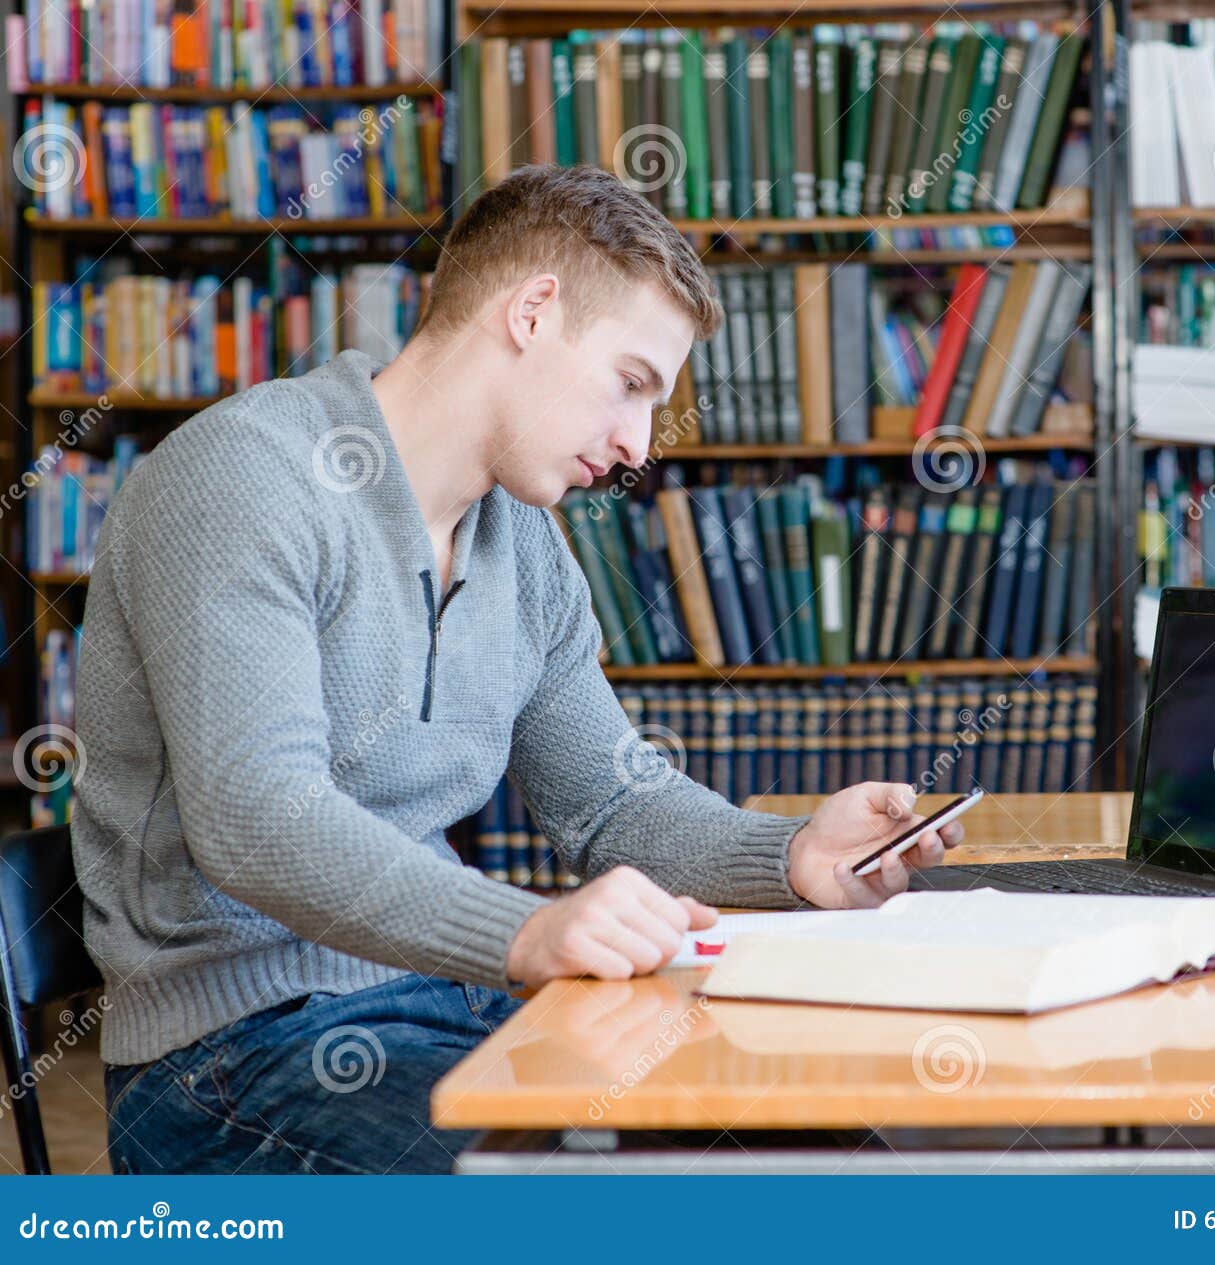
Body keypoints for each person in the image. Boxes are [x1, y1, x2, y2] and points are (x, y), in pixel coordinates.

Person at [72, 164, 962, 1175]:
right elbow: (257, 820)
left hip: (443, 999)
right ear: (532, 312)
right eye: (631, 384)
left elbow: (610, 803)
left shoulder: (521, 541)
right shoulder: (247, 477)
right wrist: (524, 931)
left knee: (806, 1134)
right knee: (614, 1194)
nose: (636, 446)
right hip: (234, 1054)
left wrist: (790, 853)